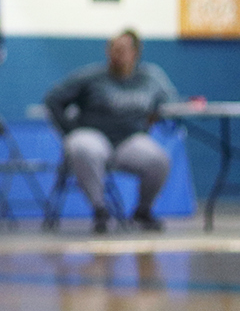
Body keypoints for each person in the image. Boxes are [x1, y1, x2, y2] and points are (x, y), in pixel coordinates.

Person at [44, 29, 177, 233]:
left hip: (129, 140)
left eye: (123, 49)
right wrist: (69, 131)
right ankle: (100, 210)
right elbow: (53, 99)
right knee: (82, 146)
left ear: (135, 53)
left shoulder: (150, 77)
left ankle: (143, 211)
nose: (117, 54)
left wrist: (154, 117)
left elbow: (170, 104)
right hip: (94, 135)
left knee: (159, 160)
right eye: (113, 49)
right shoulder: (91, 76)